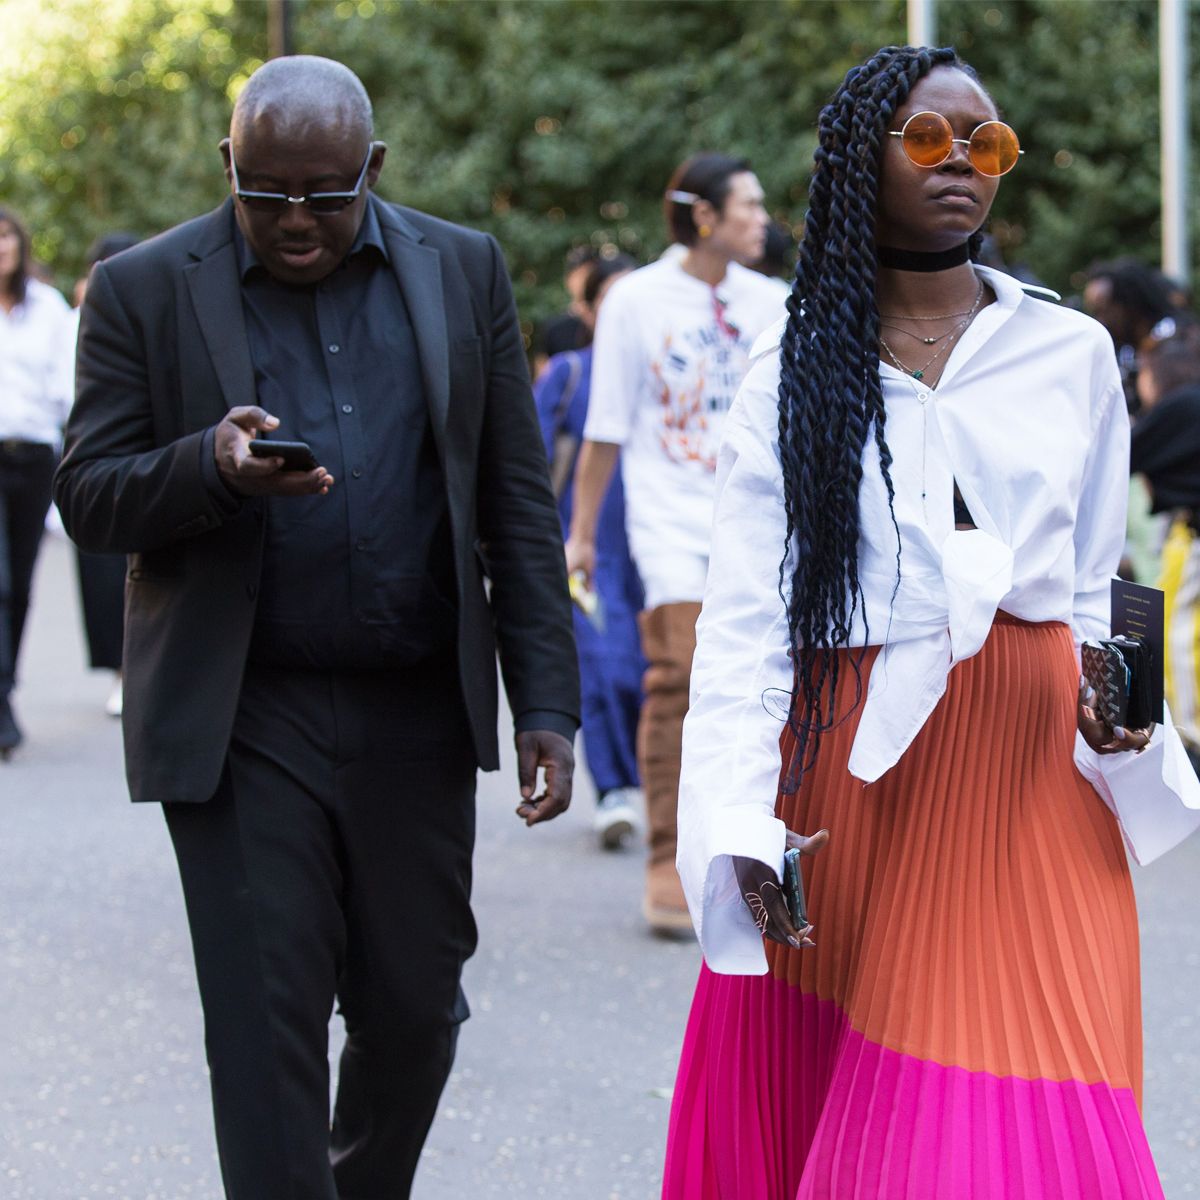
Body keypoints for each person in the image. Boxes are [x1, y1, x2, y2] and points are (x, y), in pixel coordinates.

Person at [54, 55, 578, 1200]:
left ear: (372, 168)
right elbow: (87, 494)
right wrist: (210, 466)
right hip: (244, 715)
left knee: (416, 1012)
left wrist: (546, 698)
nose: (296, 219)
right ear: (228, 163)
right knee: (265, 1023)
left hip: (415, 710)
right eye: (267, 192)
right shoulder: (145, 287)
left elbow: (513, 499)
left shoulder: (463, 268)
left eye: (327, 195)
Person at [663, 46, 1172, 1198]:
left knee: (1007, 1111)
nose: (962, 163)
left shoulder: (1071, 352)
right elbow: (747, 624)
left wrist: (1127, 706)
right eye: (930, 139)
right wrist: (739, 820)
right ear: (862, 158)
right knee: (876, 1117)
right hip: (853, 780)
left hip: (1032, 779)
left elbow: (1097, 582)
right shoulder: (792, 366)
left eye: (987, 144)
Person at [566, 152, 782, 935]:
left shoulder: (774, 302)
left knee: (766, 691)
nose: (762, 219)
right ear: (704, 215)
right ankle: (668, 861)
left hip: (759, 522)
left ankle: (752, 862)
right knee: (679, 677)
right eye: (748, 205)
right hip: (669, 519)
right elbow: (606, 427)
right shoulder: (636, 300)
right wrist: (582, 534)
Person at [535, 253, 643, 849]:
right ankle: (613, 790)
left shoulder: (670, 372)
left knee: (653, 671)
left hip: (658, 548)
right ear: (588, 310)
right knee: (604, 666)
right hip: (587, 552)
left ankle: (645, 781)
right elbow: (527, 461)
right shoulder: (569, 373)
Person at [0, 206, 75, 758]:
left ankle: (5, 685)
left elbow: (65, 385)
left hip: (31, 457)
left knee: (21, 584)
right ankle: (1, 702)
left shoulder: (46, 308)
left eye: (5, 236)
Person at [68, 232, 141, 718]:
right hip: (86, 453)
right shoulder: (73, 323)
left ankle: (137, 667)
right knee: (101, 574)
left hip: (144, 456)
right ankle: (118, 668)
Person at [1132, 326, 1200, 766]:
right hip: (1186, 536)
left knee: (1179, 640)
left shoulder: (1180, 407)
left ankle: (1191, 740)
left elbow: (1120, 456)